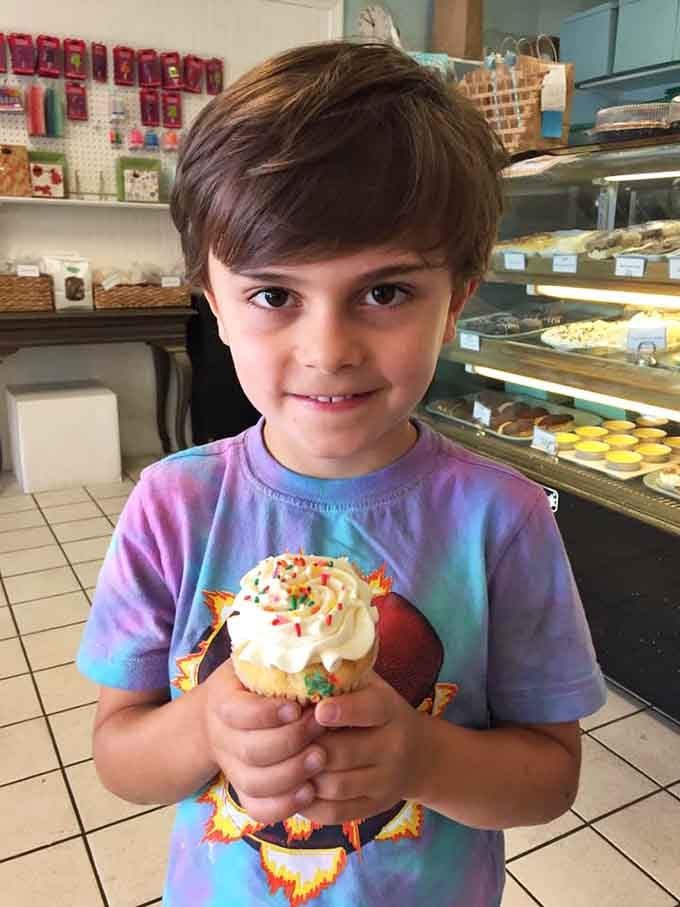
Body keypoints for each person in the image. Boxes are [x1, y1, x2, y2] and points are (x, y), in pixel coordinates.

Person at [77, 41, 606, 907]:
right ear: (213, 300)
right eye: (274, 294)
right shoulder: (173, 506)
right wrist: (207, 723)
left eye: (387, 292)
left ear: (458, 298)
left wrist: (421, 756)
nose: (327, 351)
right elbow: (119, 759)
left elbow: (548, 777)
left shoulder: (502, 518)